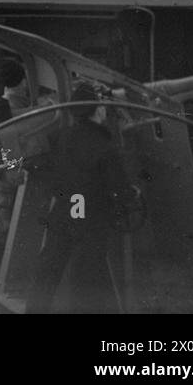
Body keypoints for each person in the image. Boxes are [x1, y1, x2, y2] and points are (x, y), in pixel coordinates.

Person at [25, 84, 128, 313]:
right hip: (91, 224)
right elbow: (121, 190)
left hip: (62, 216)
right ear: (98, 111)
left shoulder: (59, 137)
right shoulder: (106, 147)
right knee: (85, 283)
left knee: (46, 276)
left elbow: (38, 165)